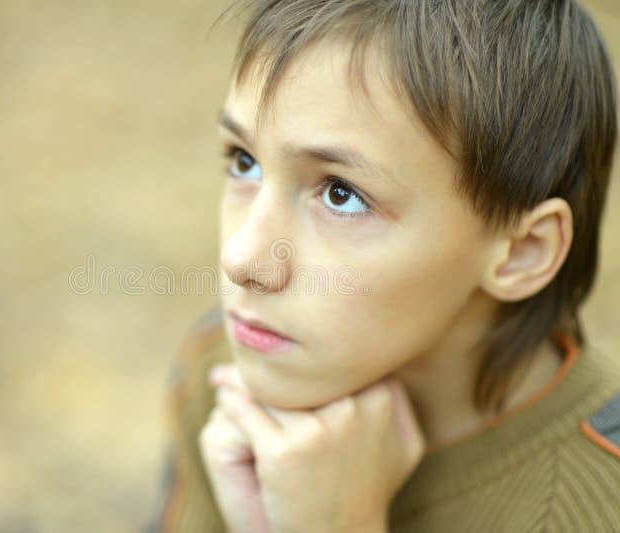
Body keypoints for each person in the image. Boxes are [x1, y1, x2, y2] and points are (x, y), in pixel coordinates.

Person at [147, 0, 620, 531]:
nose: (241, 259)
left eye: (342, 195)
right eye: (244, 162)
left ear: (521, 252)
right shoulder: (224, 376)